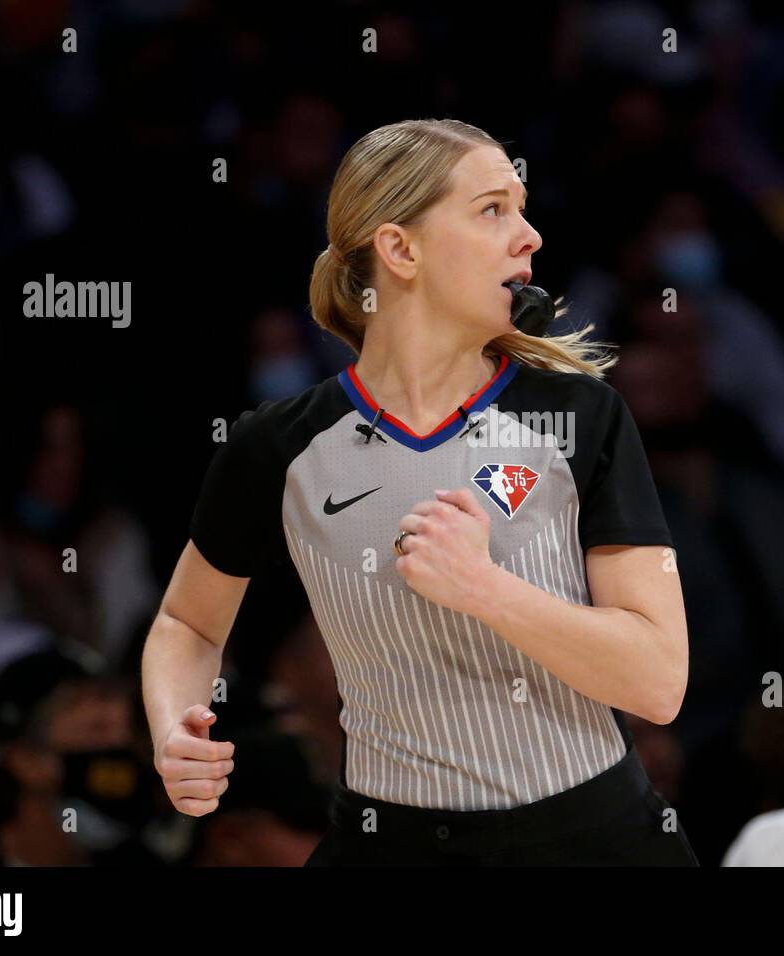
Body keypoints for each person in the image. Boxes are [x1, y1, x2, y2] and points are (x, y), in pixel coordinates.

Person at [141, 118, 696, 866]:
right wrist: (173, 724)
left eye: (522, 207)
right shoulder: (278, 447)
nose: (529, 236)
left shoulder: (579, 416)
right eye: (493, 209)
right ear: (400, 249)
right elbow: (188, 622)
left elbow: (658, 681)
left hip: (595, 839)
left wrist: (484, 589)